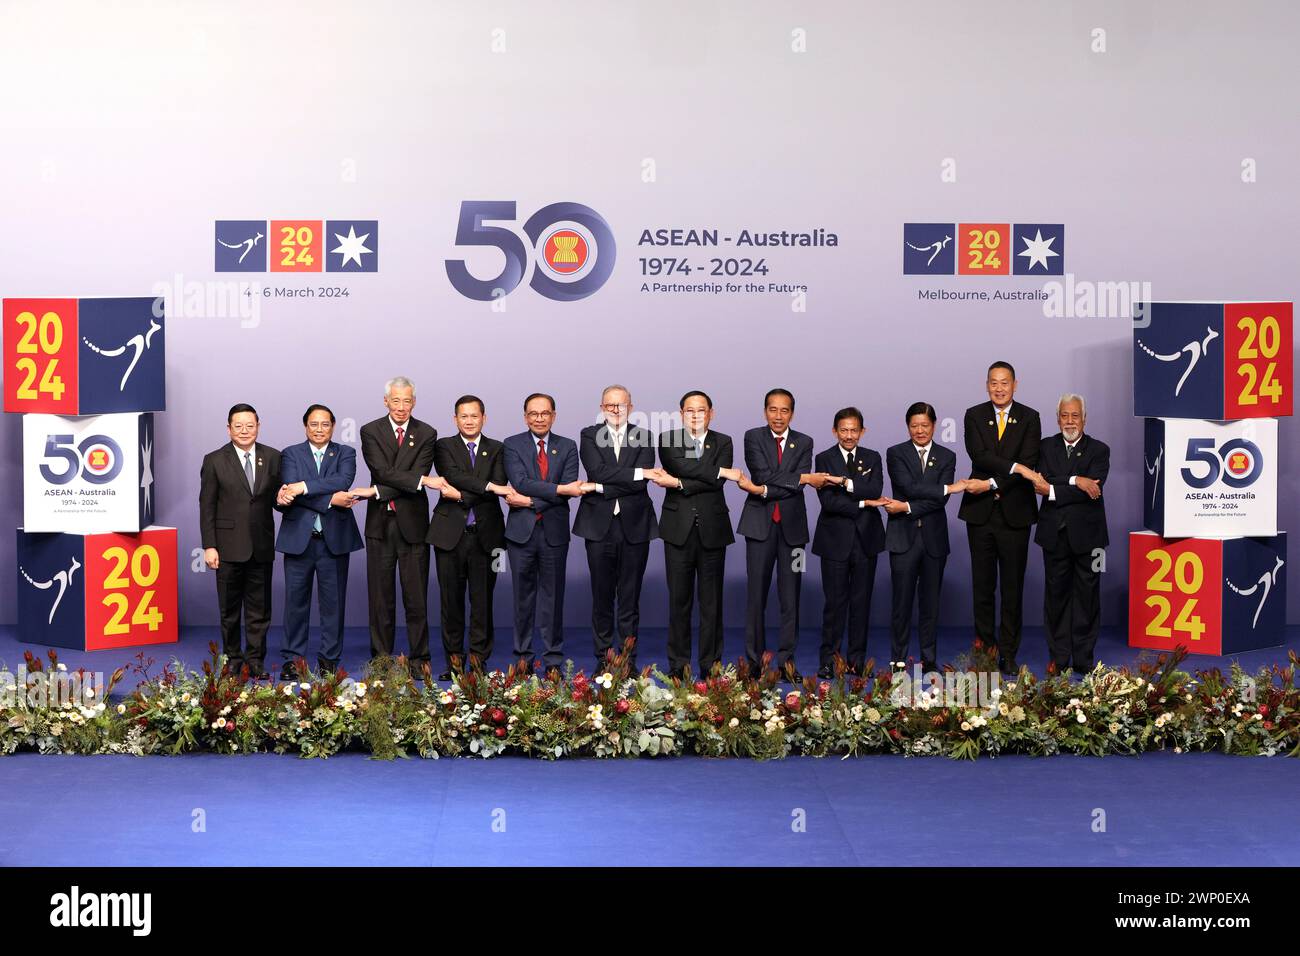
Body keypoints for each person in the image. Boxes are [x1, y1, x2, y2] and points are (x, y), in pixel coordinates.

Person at [350, 376, 448, 676]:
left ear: (414, 402)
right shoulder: (370, 430)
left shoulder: (427, 433)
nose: (402, 407)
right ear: (386, 401)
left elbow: (409, 476)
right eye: (396, 400)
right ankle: (382, 661)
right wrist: (418, 481)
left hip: (413, 526)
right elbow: (381, 471)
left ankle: (420, 660)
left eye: (407, 401)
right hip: (380, 525)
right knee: (380, 601)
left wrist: (377, 490)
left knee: (416, 598)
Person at [736, 388, 827, 679]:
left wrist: (782, 484)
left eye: (784, 410)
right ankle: (755, 663)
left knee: (791, 598)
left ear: (792, 413)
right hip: (759, 529)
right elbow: (762, 474)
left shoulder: (804, 442)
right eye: (773, 410)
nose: (778, 416)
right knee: (756, 597)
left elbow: (786, 486)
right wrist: (800, 477)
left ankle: (787, 663)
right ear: (765, 412)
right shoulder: (753, 436)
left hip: (794, 533)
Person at [958, 361, 1042, 675]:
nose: (999, 388)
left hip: (1015, 515)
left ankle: (1007, 653)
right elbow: (979, 456)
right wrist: (1017, 468)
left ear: (1015, 385)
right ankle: (985, 652)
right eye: (993, 382)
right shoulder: (974, 415)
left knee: (1012, 588)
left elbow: (1029, 461)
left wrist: (994, 482)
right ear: (987, 385)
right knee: (982, 588)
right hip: (980, 515)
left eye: (1004, 382)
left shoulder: (1030, 417)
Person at [572, 384, 659, 672]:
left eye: (621, 405)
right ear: (601, 408)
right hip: (598, 526)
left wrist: (600, 487)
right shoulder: (589, 434)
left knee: (630, 598)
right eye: (609, 405)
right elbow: (597, 471)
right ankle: (604, 660)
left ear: (631, 408)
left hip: (635, 525)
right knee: (602, 596)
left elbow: (642, 482)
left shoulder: (644, 436)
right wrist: (631, 475)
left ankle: (628, 661)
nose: (615, 409)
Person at [653, 390, 739, 679]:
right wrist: (719, 472)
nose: (696, 415)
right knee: (679, 600)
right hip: (678, 531)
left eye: (701, 410)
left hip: (713, 530)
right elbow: (687, 467)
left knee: (712, 602)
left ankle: (710, 665)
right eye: (690, 410)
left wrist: (677, 482)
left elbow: (715, 485)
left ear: (711, 413)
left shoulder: (723, 441)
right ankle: (678, 665)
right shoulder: (668, 440)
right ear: (681, 414)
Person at [274, 404, 364, 679]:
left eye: (325, 424)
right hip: (299, 540)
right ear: (305, 427)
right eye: (314, 424)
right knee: (295, 603)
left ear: (333, 426)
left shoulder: (345, 453)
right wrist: (330, 498)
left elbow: (343, 479)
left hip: (333, 541)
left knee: (333, 604)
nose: (319, 429)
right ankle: (293, 659)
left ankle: (329, 658)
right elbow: (290, 484)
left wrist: (304, 487)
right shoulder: (290, 453)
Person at [427, 395, 511, 680]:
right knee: (450, 602)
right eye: (464, 416)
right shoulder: (444, 446)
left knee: (483, 600)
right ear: (455, 419)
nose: (469, 421)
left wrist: (462, 494)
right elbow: (453, 474)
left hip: (487, 537)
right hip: (449, 536)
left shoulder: (498, 448)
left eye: (474, 416)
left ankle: (478, 660)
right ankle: (454, 661)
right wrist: (484, 488)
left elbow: (498, 484)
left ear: (484, 418)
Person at [199, 403, 282, 679]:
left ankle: (256, 659)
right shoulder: (214, 460)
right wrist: (209, 545)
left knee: (260, 610)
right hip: (226, 547)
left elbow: (276, 501)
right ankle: (233, 658)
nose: (245, 431)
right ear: (229, 428)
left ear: (258, 426)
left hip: (261, 545)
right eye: (238, 426)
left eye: (250, 425)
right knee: (230, 610)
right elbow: (207, 506)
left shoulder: (272, 457)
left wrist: (284, 499)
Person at [1029, 393, 1109, 674]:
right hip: (1054, 534)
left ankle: (1084, 658)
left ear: (1084, 419)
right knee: (1056, 597)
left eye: (1075, 415)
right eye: (1065, 415)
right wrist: (1077, 480)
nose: (1070, 420)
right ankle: (1059, 657)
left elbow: (1093, 491)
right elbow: (1042, 479)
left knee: (1088, 597)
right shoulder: (1045, 447)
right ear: (1058, 418)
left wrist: (1053, 490)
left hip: (1090, 538)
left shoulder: (1100, 450)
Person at [502, 393, 583, 671]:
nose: (539, 418)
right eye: (533, 413)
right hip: (521, 534)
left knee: (553, 598)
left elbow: (570, 488)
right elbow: (520, 481)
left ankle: (552, 660)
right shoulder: (511, 445)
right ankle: (523, 658)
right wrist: (557, 490)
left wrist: (530, 501)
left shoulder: (569, 446)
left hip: (554, 533)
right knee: (522, 599)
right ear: (525, 417)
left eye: (544, 413)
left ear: (553, 416)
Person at [884, 402, 967, 674]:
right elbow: (907, 487)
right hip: (902, 537)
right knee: (901, 602)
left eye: (925, 425)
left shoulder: (947, 455)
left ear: (934, 425)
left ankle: (928, 658)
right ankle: (898, 658)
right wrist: (943, 488)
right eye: (914, 425)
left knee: (931, 602)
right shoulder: (895, 453)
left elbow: (939, 501)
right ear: (908, 426)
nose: (920, 430)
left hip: (933, 539)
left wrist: (907, 506)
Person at [811, 406, 888, 677]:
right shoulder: (823, 458)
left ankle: (856, 660)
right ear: (835, 431)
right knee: (834, 603)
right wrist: (865, 502)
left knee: (861, 603)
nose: (849, 435)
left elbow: (876, 488)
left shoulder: (873, 457)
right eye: (843, 430)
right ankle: (828, 661)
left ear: (862, 431)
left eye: (854, 430)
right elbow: (829, 502)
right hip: (834, 541)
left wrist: (843, 481)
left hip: (866, 539)